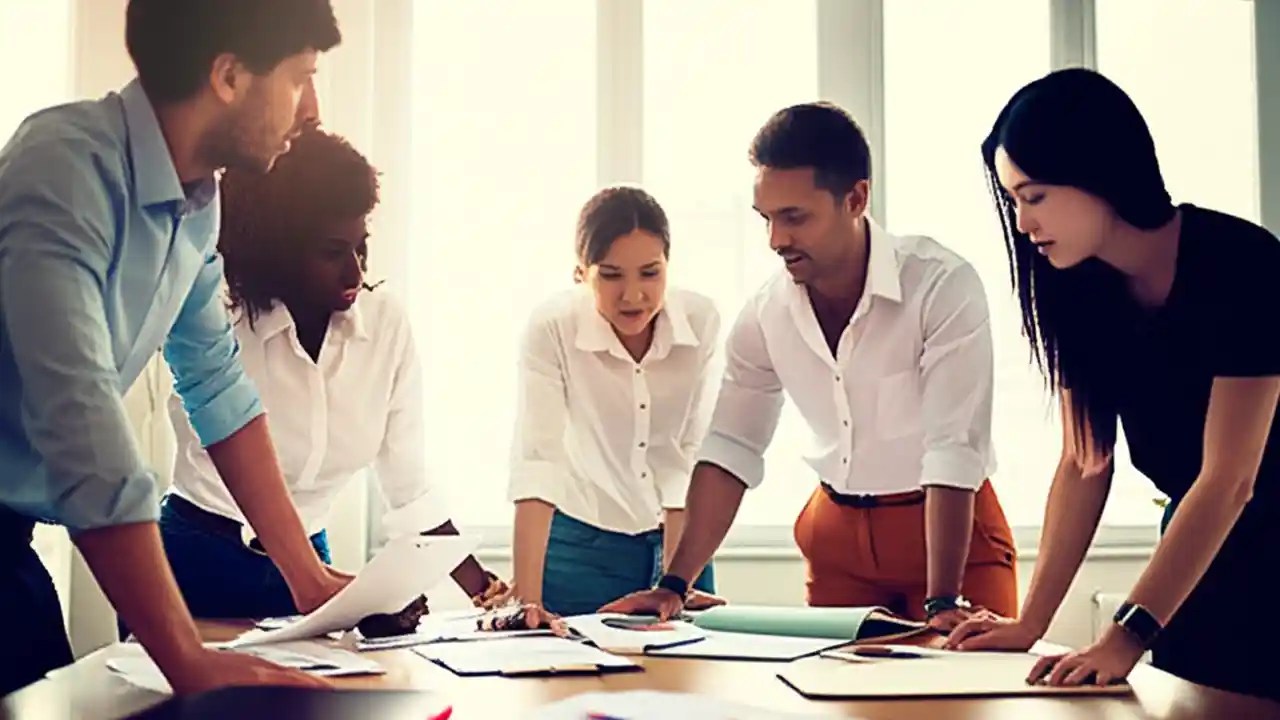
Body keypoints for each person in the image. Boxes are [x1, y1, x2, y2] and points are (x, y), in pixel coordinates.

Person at [0, 0, 351, 697]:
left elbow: (218, 386)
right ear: (227, 76)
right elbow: (81, 423)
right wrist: (186, 659)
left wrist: (307, 579)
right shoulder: (64, 169)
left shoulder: (197, 202)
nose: (310, 109)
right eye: (299, 77)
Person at [601, 102, 1017, 628]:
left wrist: (942, 601)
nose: (776, 240)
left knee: (970, 699)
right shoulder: (766, 313)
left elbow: (953, 452)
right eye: (767, 219)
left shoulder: (941, 285)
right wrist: (673, 586)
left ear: (856, 199)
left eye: (795, 217)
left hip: (953, 542)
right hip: (838, 541)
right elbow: (732, 447)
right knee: (840, 705)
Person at [945, 67, 1280, 702]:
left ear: (1096, 171)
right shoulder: (1076, 285)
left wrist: (1127, 633)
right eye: (1013, 199)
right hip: (1200, 565)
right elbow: (1084, 461)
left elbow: (1230, 480)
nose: (1022, 223)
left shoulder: (1244, 264)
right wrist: (1029, 624)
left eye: (1035, 196)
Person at [161, 127, 507, 619]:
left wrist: (486, 592)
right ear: (276, 246)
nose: (354, 273)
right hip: (197, 560)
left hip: (310, 560)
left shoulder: (385, 325)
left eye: (360, 247)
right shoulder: (215, 319)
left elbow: (408, 486)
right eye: (331, 252)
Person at [505, 186, 723, 620]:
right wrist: (526, 601)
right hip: (579, 549)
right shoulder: (553, 328)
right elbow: (538, 460)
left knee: (686, 680)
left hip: (680, 544)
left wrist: (678, 582)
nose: (632, 294)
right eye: (610, 275)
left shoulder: (700, 321)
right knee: (565, 675)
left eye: (649, 273)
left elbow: (690, 456)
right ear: (580, 273)